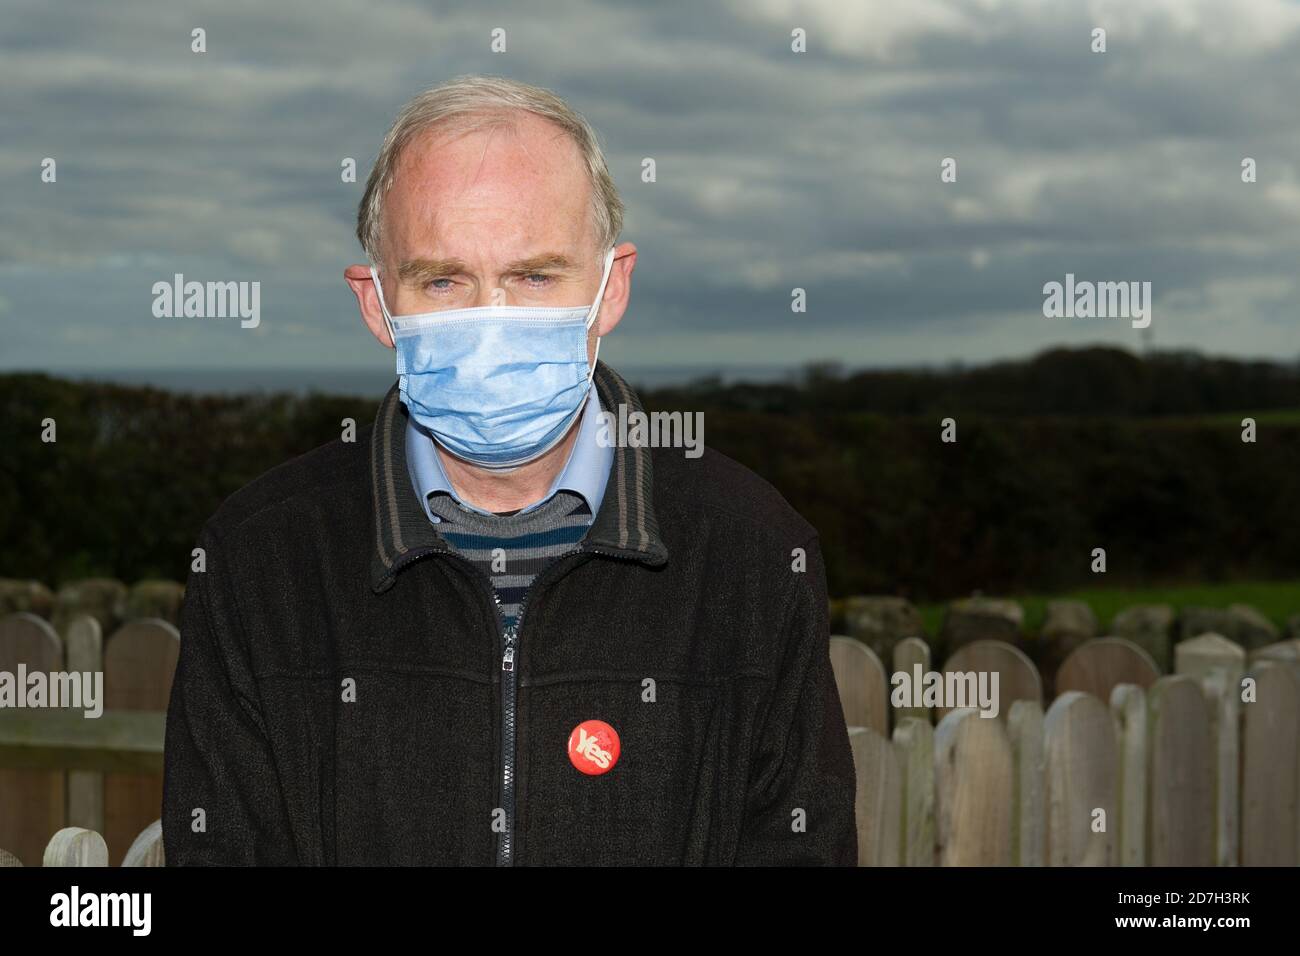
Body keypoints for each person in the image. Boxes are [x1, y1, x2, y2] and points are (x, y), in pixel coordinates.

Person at [162, 75, 856, 865]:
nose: (490, 321)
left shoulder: (754, 553)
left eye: (533, 276)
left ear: (609, 288)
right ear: (376, 303)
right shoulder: (260, 559)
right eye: (443, 280)